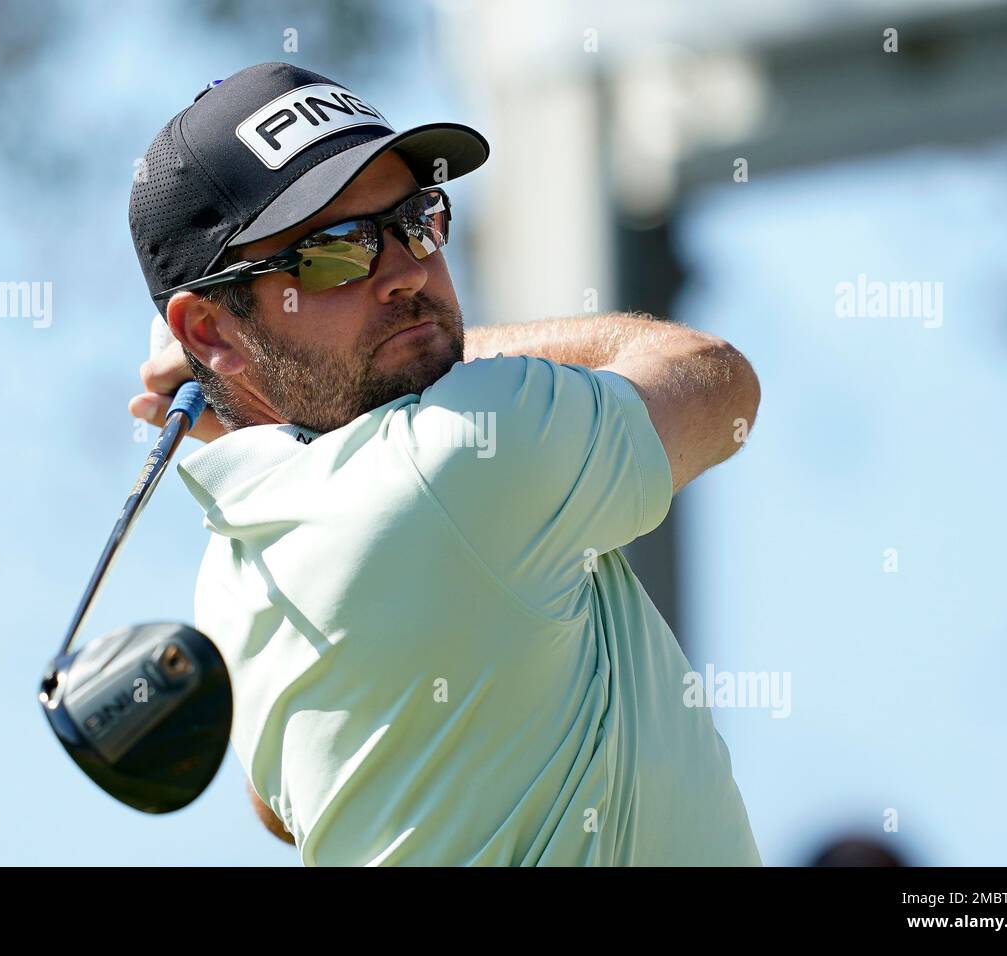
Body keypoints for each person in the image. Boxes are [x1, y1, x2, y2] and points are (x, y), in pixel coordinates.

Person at [127, 62, 763, 865]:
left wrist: (244, 385)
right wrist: (445, 362)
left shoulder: (230, 580)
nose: (406, 273)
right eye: (333, 252)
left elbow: (276, 809)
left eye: (417, 220)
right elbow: (716, 381)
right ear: (212, 330)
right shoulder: (463, 453)